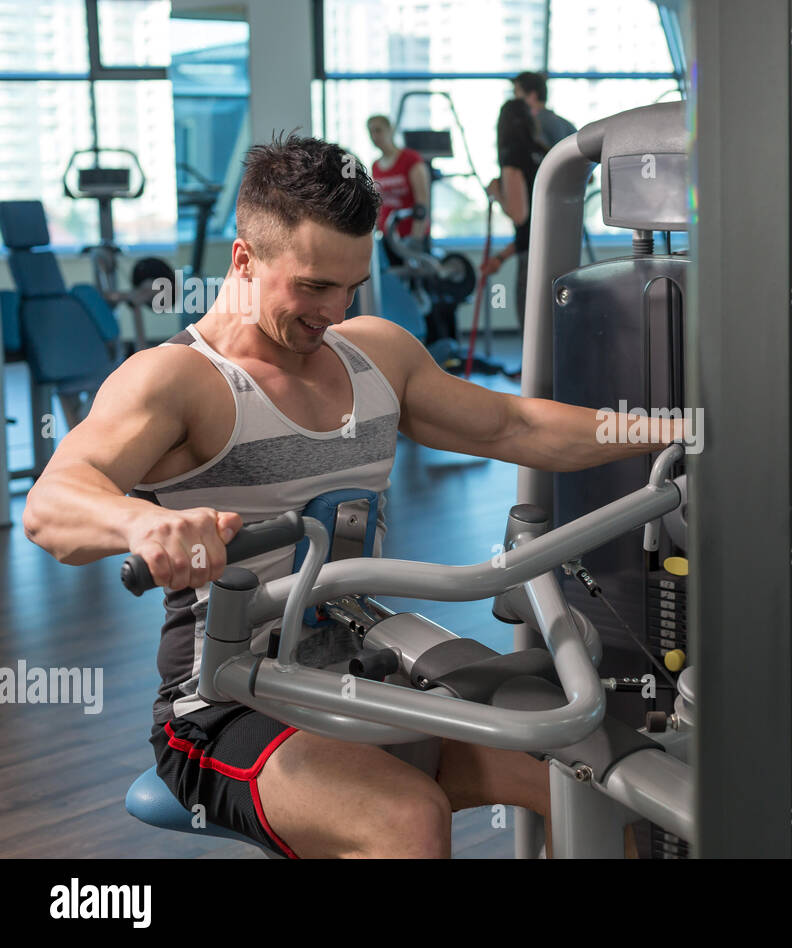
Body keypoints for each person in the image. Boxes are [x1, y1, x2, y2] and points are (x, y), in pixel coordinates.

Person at [21, 131, 681, 859]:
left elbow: (515, 423)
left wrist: (676, 430)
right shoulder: (178, 381)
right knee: (405, 818)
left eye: (349, 287)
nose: (333, 310)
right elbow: (52, 505)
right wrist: (142, 525)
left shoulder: (377, 355)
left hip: (367, 666)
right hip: (225, 703)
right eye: (311, 286)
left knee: (592, 776)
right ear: (244, 261)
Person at [481, 99, 545, 335]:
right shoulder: (542, 151)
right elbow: (531, 228)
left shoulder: (513, 157)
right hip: (555, 248)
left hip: (533, 258)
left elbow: (520, 216)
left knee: (531, 323)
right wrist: (500, 258)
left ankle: (534, 373)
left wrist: (496, 193)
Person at [366, 114, 431, 268]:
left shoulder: (410, 159)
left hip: (412, 235)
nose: (375, 136)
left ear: (391, 130)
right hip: (389, 237)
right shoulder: (375, 165)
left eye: (378, 130)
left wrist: (416, 238)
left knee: (415, 282)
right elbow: (378, 203)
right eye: (371, 132)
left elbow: (422, 200)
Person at [513, 71, 577, 150]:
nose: (514, 98)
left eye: (517, 92)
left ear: (532, 96)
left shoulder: (537, 123)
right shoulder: (564, 123)